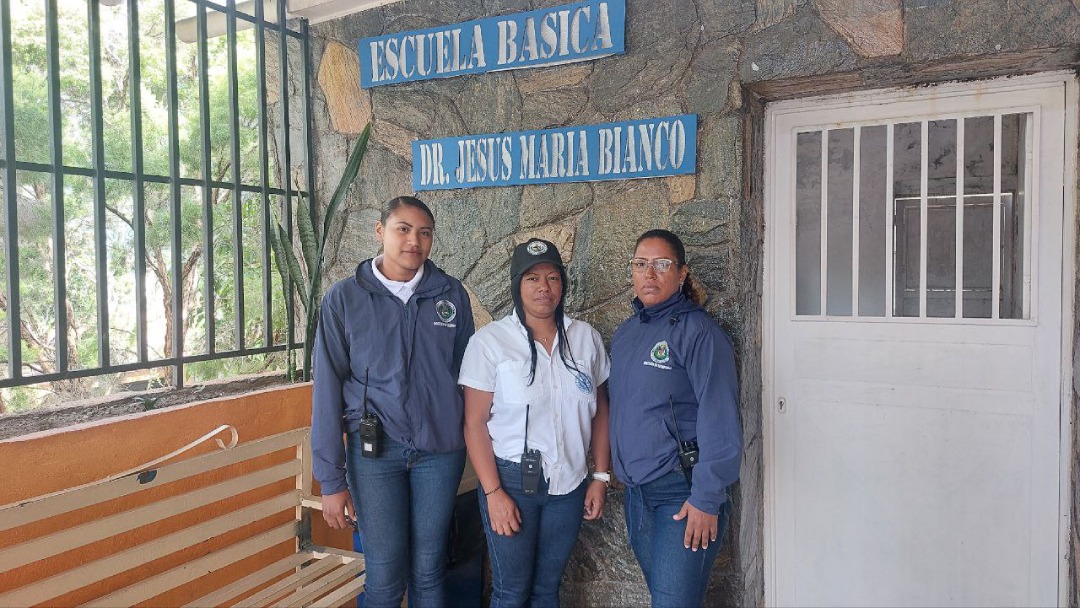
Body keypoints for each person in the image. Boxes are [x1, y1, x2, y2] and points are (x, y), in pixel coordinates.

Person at [311, 195, 475, 608]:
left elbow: (467, 376)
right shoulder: (344, 299)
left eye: (424, 233)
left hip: (439, 453)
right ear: (380, 232)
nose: (413, 241)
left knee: (429, 570)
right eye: (403, 229)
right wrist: (331, 481)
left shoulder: (450, 294)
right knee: (384, 574)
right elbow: (327, 390)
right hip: (375, 455)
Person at [459, 238, 611, 608]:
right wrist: (494, 495)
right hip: (511, 483)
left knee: (547, 590)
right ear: (517, 285)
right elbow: (474, 424)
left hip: (570, 483)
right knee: (511, 592)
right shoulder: (490, 342)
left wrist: (601, 477)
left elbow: (602, 411)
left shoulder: (586, 338)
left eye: (552, 277)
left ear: (562, 283)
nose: (544, 287)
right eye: (532, 278)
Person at [608, 229, 741, 608]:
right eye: (641, 264)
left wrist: (706, 497)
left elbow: (720, 416)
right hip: (638, 494)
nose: (649, 274)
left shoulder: (700, 333)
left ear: (682, 274)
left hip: (682, 495)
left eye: (662, 264)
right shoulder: (626, 333)